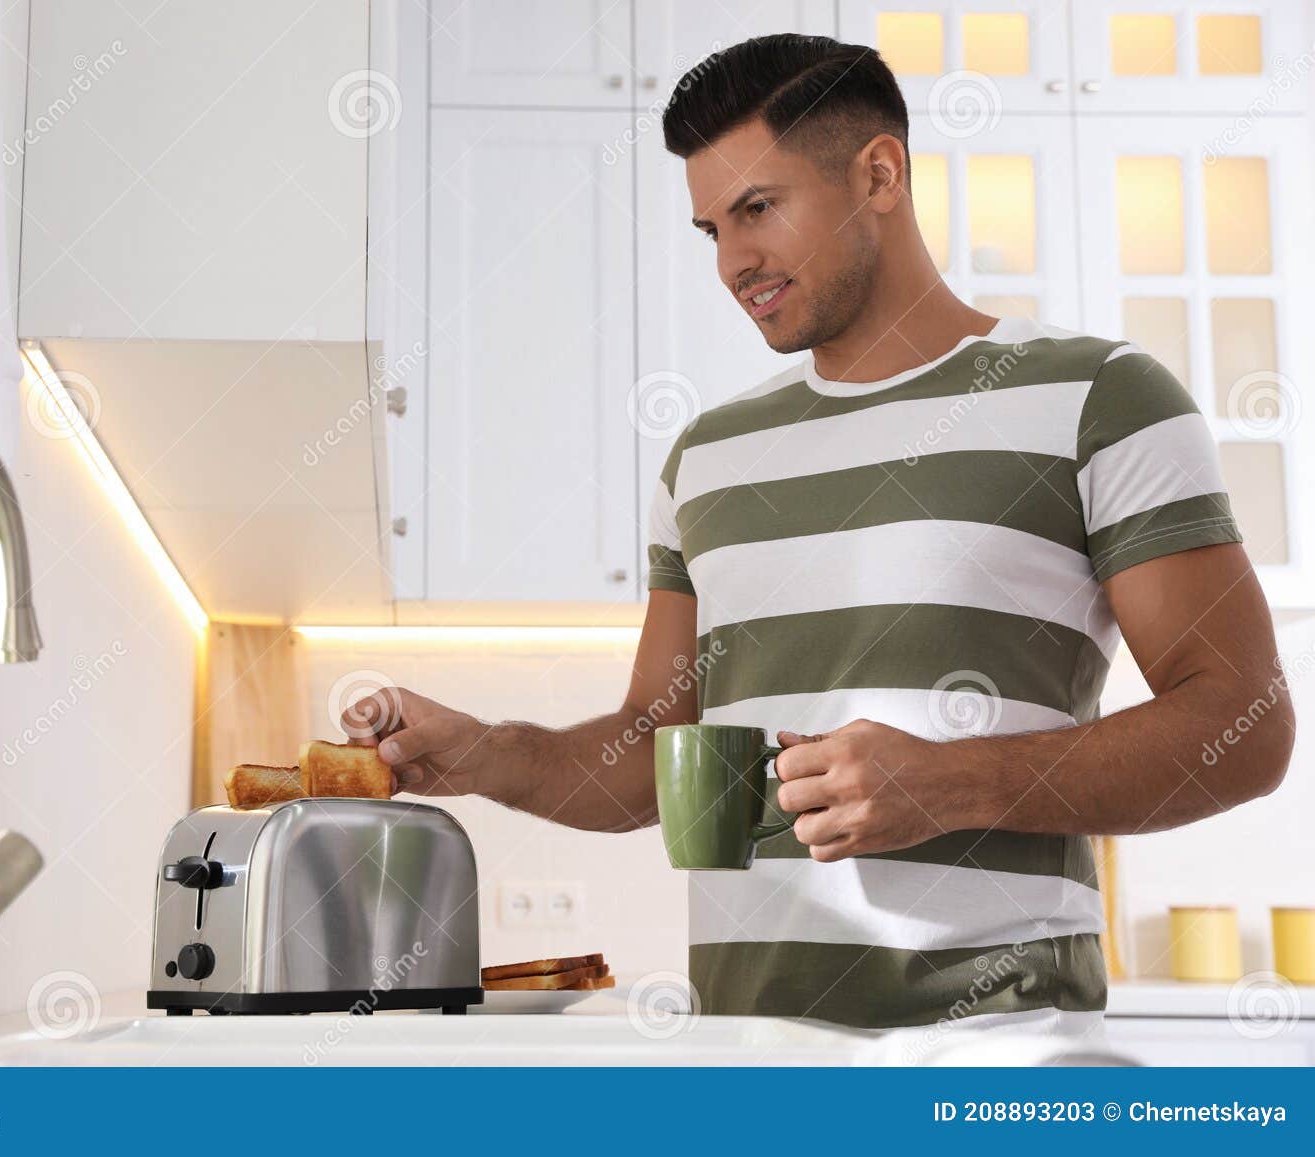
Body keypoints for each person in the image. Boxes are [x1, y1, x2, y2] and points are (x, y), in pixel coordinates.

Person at [343, 34, 1292, 1033]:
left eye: (757, 209)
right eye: (710, 227)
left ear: (877, 173)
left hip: (998, 1056)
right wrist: (483, 753)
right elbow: (656, 757)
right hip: (746, 1061)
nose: (732, 261)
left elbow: (1243, 719)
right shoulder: (706, 457)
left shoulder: (1096, 396)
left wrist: (954, 780)